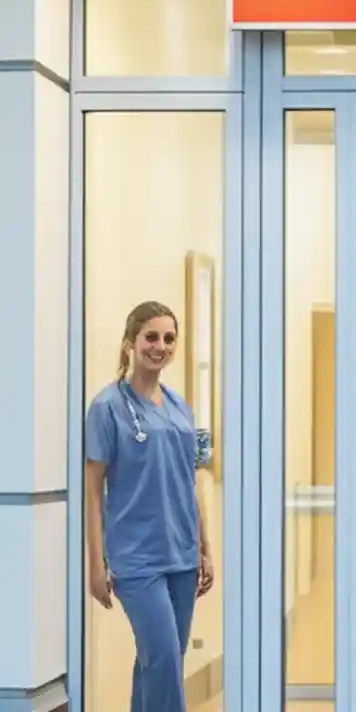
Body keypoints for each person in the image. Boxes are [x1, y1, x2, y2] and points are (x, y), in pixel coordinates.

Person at [85, 301, 215, 712]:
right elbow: (93, 488)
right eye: (151, 337)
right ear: (130, 343)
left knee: (161, 661)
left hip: (181, 552)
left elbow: (192, 479)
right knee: (161, 659)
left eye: (169, 338)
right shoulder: (107, 407)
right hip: (136, 557)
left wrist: (204, 546)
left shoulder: (181, 407)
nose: (160, 346)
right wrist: (95, 563)